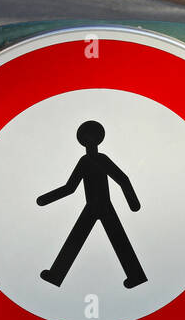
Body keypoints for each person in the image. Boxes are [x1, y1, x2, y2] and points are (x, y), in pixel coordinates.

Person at [36, 120, 146, 288]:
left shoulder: (102, 159)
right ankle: (56, 275)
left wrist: (133, 203)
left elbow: (122, 178)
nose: (89, 141)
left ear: (97, 139)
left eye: (92, 137)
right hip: (92, 206)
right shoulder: (84, 161)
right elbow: (70, 187)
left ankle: (136, 275)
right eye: (86, 137)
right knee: (79, 238)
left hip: (103, 205)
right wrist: (46, 199)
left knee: (116, 239)